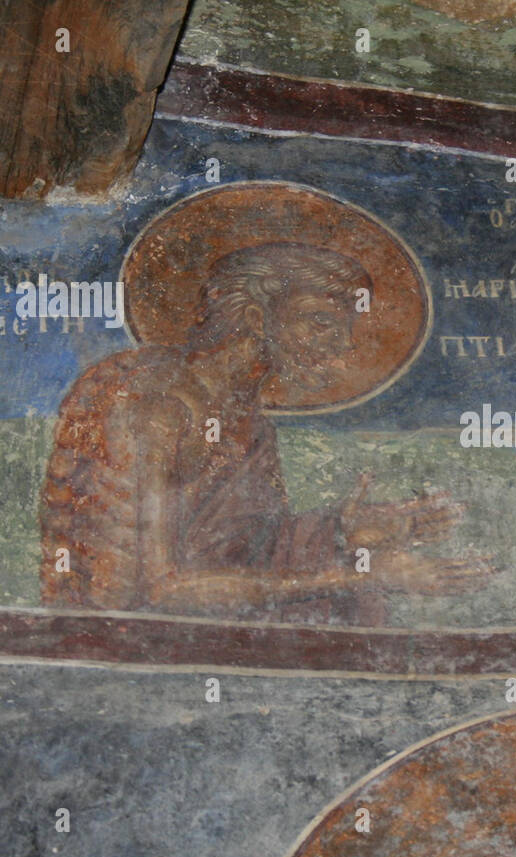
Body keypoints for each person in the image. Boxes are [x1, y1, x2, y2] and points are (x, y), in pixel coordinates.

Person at [40, 241, 492, 622]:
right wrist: (361, 573)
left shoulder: (249, 423)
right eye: (320, 321)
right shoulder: (160, 408)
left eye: (346, 325)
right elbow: (160, 590)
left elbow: (249, 553)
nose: (344, 342)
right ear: (257, 319)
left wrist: (341, 529)